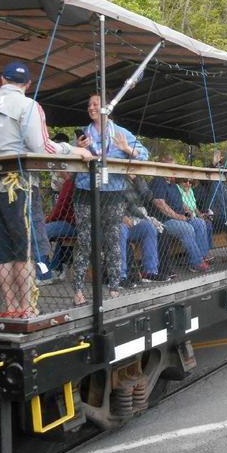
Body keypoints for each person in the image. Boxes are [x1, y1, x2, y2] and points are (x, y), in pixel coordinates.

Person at [0, 61, 92, 319]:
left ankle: (11, 307)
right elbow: (41, 147)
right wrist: (75, 150)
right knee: (23, 247)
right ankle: (27, 307)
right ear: (28, 85)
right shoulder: (29, 106)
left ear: (2, 79)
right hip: (19, 186)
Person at [71, 94, 148, 304]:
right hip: (85, 191)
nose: (91, 108)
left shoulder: (121, 133)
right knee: (85, 241)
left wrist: (125, 148)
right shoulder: (83, 133)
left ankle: (114, 287)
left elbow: (144, 154)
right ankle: (78, 290)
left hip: (113, 193)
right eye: (89, 104)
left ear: (107, 108)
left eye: (96, 104)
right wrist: (78, 148)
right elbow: (69, 156)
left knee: (113, 239)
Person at [150, 156, 211, 273]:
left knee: (200, 223)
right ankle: (197, 263)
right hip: (164, 221)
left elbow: (179, 201)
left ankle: (201, 258)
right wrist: (179, 217)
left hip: (180, 217)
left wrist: (187, 209)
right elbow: (160, 204)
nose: (172, 169)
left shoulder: (172, 183)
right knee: (186, 229)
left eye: (174, 167)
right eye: (169, 167)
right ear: (162, 167)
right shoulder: (158, 181)